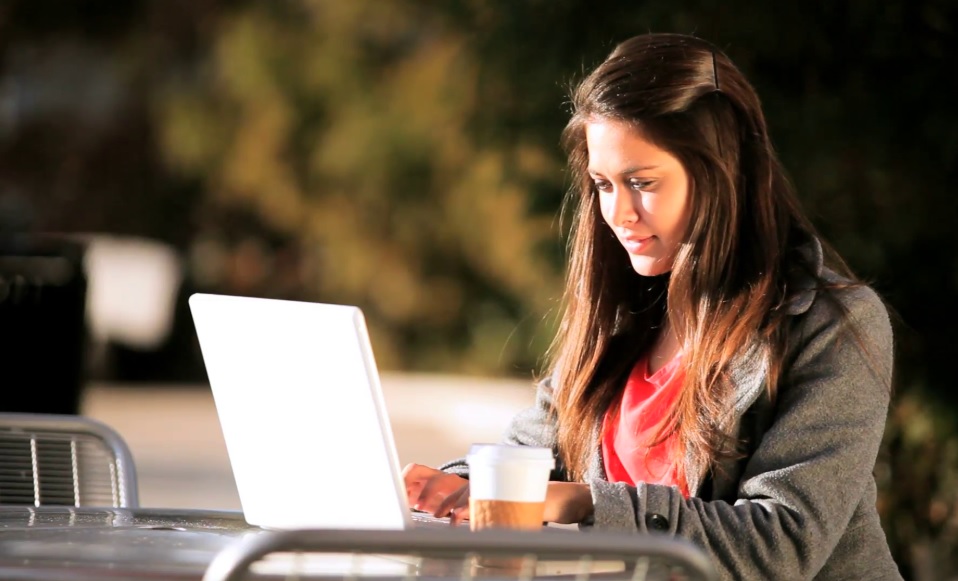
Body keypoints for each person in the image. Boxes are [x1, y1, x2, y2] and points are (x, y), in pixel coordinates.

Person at [402, 32, 901, 580]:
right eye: (602, 184)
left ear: (721, 172)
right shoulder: (620, 321)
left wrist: (585, 503)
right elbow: (528, 455)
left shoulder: (830, 325)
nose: (618, 213)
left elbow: (779, 544)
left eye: (641, 183)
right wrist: (459, 486)